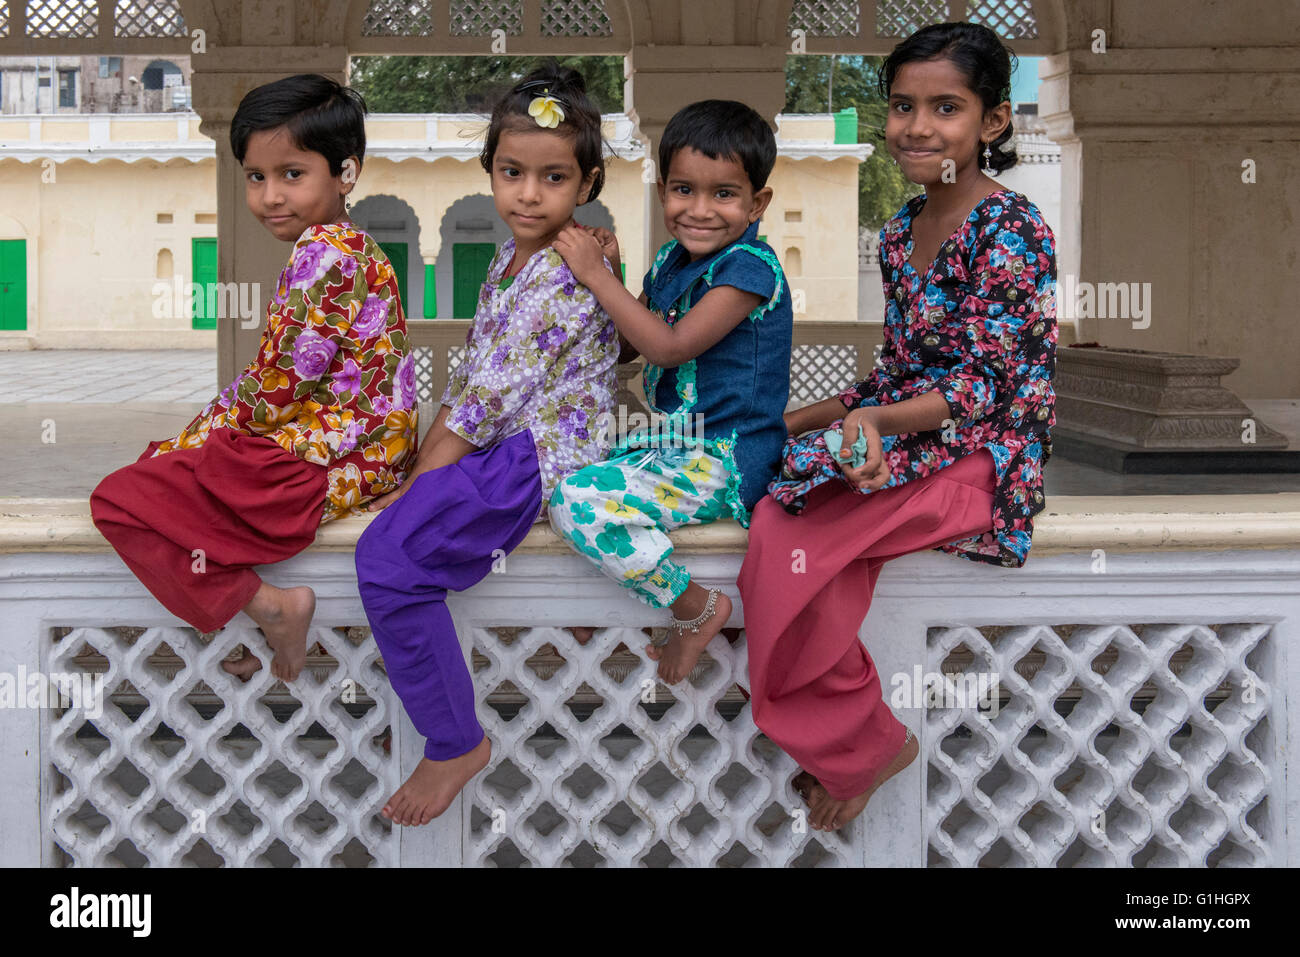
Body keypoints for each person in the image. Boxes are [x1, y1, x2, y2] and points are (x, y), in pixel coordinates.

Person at [737, 21, 1057, 832]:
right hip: (915, 435)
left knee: (787, 529)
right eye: (902, 105)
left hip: (984, 455)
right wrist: (796, 418)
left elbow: (982, 386)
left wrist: (870, 421)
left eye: (945, 106)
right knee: (783, 500)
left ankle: (864, 742)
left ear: (993, 122)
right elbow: (895, 374)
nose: (916, 126)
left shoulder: (1012, 230)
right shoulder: (901, 231)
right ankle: (859, 738)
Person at [354, 65, 619, 827]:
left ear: (588, 180)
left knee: (386, 556)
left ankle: (454, 740)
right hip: (501, 443)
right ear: (491, 172)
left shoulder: (564, 277)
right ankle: (425, 699)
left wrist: (415, 485)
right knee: (388, 526)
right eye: (512, 172)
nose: (528, 193)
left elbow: (481, 410)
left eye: (553, 176)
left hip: (534, 458)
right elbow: (470, 379)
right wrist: (416, 466)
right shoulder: (511, 260)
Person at [91, 74, 417, 682]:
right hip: (364, 453)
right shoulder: (355, 246)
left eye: (292, 174)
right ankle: (245, 620)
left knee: (124, 497)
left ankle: (270, 608)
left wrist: (194, 435)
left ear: (346, 173)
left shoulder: (325, 254)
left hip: (326, 463)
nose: (270, 195)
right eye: (256, 176)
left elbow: (277, 389)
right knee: (170, 482)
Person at [551, 99, 792, 684]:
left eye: (725, 194)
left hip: (725, 458)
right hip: (673, 445)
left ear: (758, 202)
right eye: (684, 189)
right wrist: (617, 268)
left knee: (576, 501)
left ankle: (697, 608)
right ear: (662, 192)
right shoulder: (669, 261)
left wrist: (598, 276)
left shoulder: (749, 269)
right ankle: (594, 606)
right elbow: (634, 346)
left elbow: (669, 348)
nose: (700, 210)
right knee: (552, 466)